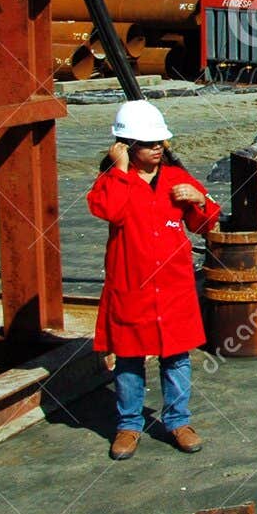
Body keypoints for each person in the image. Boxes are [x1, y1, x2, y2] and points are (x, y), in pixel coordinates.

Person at [87, 101, 221, 461]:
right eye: (148, 144)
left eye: (160, 142)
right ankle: (129, 425)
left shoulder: (176, 179)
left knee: (176, 357)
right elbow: (110, 211)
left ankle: (178, 421)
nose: (157, 148)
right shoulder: (113, 182)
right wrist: (119, 169)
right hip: (131, 286)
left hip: (174, 286)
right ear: (126, 146)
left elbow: (206, 224)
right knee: (129, 359)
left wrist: (200, 200)